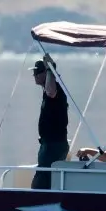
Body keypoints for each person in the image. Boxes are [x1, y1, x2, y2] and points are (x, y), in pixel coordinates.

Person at [31, 54, 69, 189]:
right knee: (44, 177)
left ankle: (38, 202)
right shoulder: (46, 91)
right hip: (47, 144)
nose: (34, 75)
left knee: (42, 181)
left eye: (36, 72)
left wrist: (50, 69)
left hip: (54, 145)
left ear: (45, 73)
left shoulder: (54, 89)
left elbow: (51, 92)